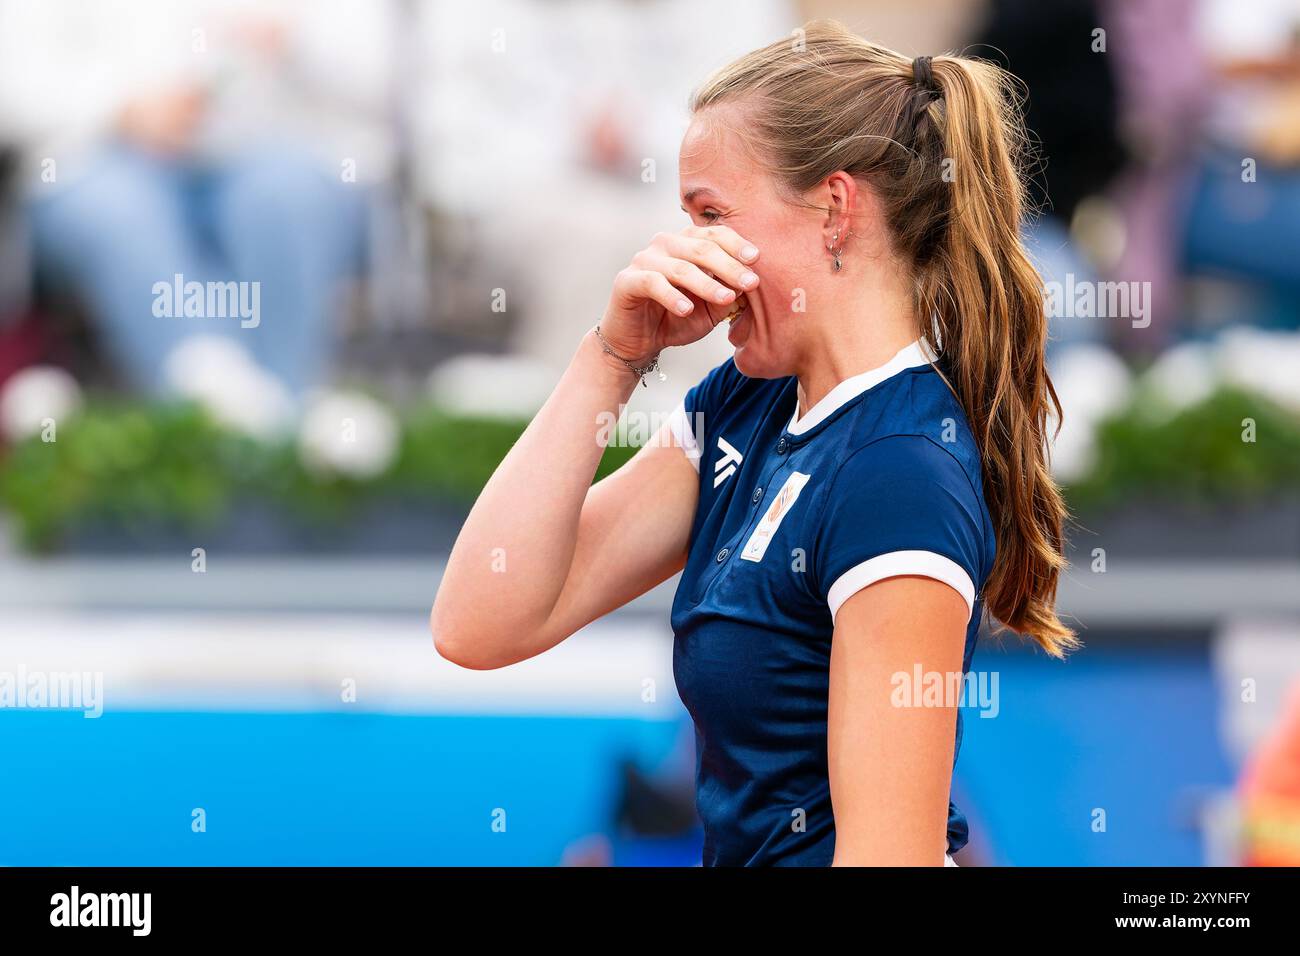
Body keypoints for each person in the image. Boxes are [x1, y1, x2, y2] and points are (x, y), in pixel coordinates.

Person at [431, 20, 1074, 866]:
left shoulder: (896, 474)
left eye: (711, 213)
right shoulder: (750, 399)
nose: (689, 246)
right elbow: (482, 622)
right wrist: (613, 356)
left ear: (835, 209)